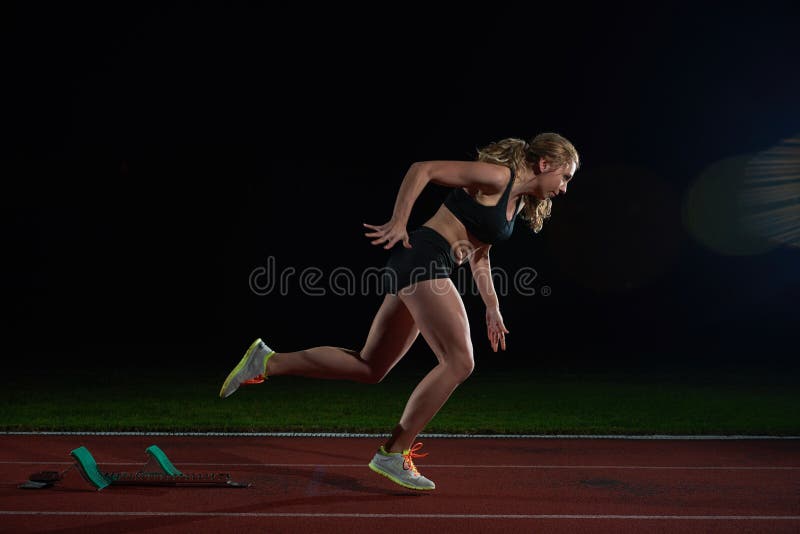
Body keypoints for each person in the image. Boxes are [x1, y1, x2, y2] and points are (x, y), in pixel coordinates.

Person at [219, 133, 580, 491]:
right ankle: (394, 452)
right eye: (564, 177)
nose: (564, 188)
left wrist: (492, 307)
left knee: (369, 366)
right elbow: (422, 169)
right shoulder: (499, 177)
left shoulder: (514, 204)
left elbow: (479, 254)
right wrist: (399, 221)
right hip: (423, 257)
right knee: (460, 361)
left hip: (420, 264)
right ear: (544, 164)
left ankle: (266, 361)